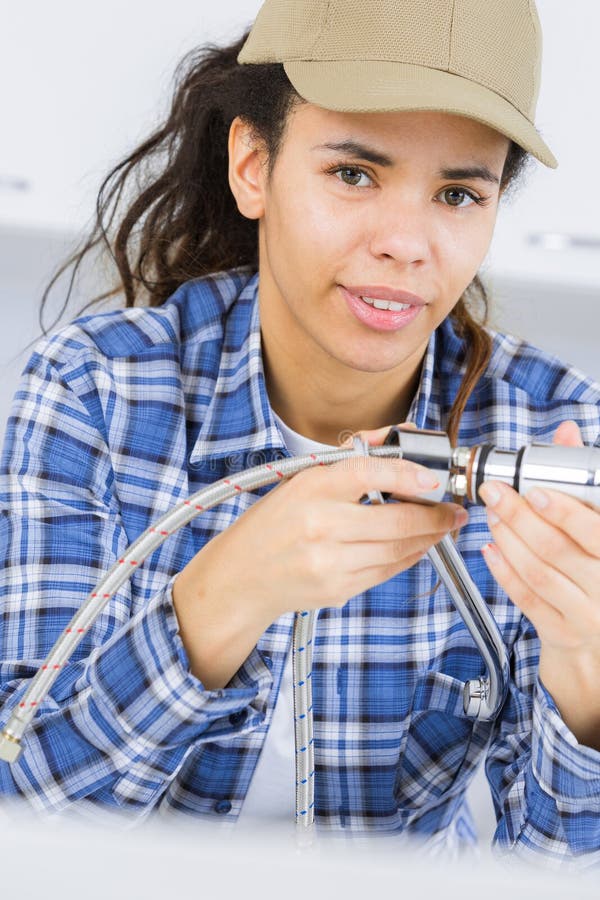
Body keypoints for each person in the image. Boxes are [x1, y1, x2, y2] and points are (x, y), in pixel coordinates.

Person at [1, 0, 599, 866]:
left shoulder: (549, 430)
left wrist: (585, 678)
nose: (406, 244)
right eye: (354, 174)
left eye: (459, 194)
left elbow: (557, 874)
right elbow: (20, 821)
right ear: (253, 165)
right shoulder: (95, 392)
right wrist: (222, 597)